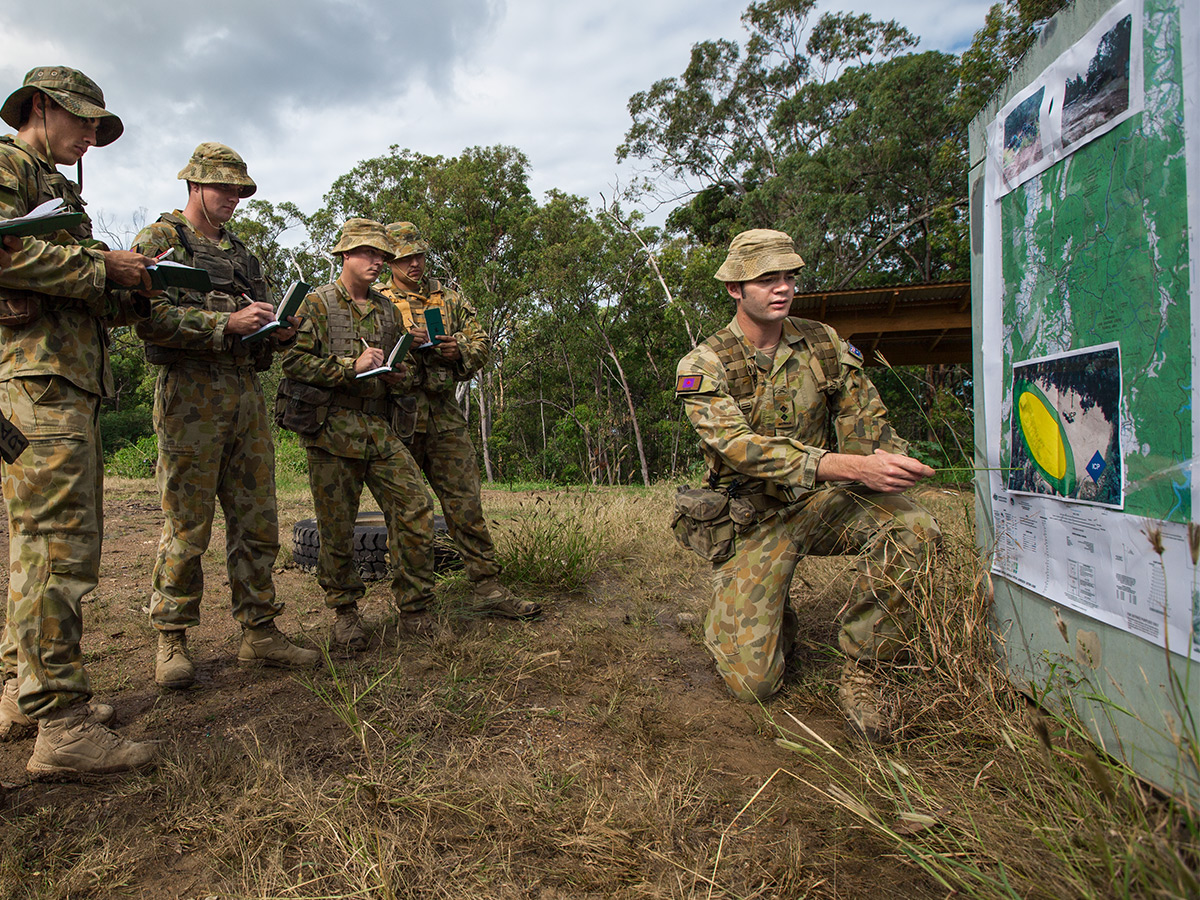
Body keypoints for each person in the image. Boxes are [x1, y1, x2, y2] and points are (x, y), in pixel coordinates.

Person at [674, 229, 941, 742]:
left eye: (789, 276)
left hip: (824, 506)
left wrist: (890, 460)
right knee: (754, 686)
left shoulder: (824, 344)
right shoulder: (703, 364)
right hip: (753, 521)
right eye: (766, 279)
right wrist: (849, 467)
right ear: (735, 288)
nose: (782, 288)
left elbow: (868, 426)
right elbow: (740, 448)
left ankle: (867, 666)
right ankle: (759, 609)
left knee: (913, 527)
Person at [0, 66, 158, 775]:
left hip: (60, 382)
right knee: (58, 549)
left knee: (39, 546)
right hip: (40, 383)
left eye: (99, 126)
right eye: (83, 121)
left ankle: (20, 692)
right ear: (39, 107)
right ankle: (59, 726)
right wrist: (102, 271)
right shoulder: (8, 163)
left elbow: (64, 281)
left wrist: (132, 285)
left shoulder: (61, 190)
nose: (92, 137)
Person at [132, 143, 318, 689]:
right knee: (187, 524)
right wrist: (225, 324)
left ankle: (259, 631)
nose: (234, 199)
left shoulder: (243, 255)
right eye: (224, 189)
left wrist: (276, 331)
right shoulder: (162, 241)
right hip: (190, 395)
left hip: (244, 393)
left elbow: (254, 323)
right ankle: (171, 636)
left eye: (240, 190)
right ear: (194, 186)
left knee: (257, 516)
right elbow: (149, 318)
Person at [280, 219, 437, 646]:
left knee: (416, 507)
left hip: (378, 426)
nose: (377, 261)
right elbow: (294, 363)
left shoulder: (387, 309)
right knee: (335, 527)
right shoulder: (317, 304)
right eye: (368, 253)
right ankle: (345, 614)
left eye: (382, 255)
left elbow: (405, 373)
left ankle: (415, 608)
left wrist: (398, 374)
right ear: (345, 255)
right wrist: (349, 367)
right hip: (331, 429)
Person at [381, 222, 539, 619]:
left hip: (445, 414)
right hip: (397, 414)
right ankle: (414, 602)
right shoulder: (377, 300)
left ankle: (487, 585)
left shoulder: (448, 297)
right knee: (406, 511)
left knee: (465, 503)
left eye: (419, 255)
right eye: (405, 258)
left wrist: (459, 350)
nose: (414, 264)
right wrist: (398, 346)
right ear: (389, 260)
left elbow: (483, 340)